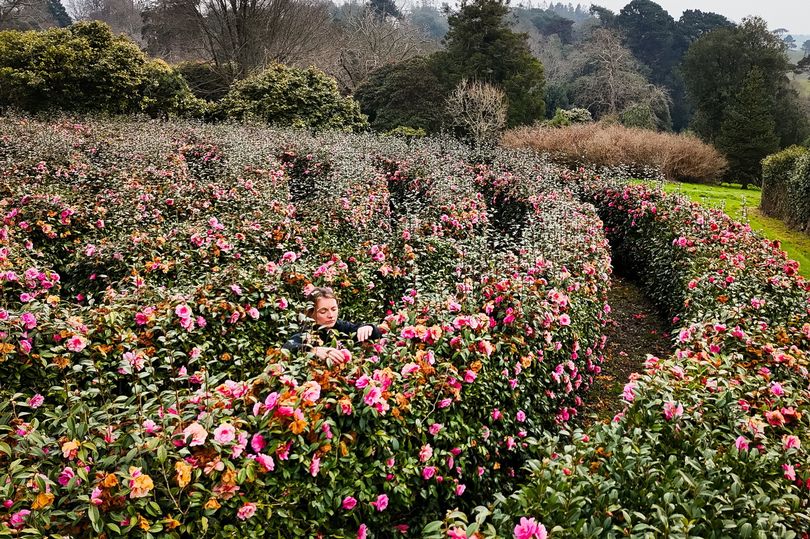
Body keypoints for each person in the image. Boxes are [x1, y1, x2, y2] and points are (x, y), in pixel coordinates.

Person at [282, 287, 383, 361]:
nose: (331, 315)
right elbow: (288, 346)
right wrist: (312, 350)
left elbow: (376, 334)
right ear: (311, 313)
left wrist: (369, 328)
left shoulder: (341, 327)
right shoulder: (307, 331)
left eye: (334, 309)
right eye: (323, 311)